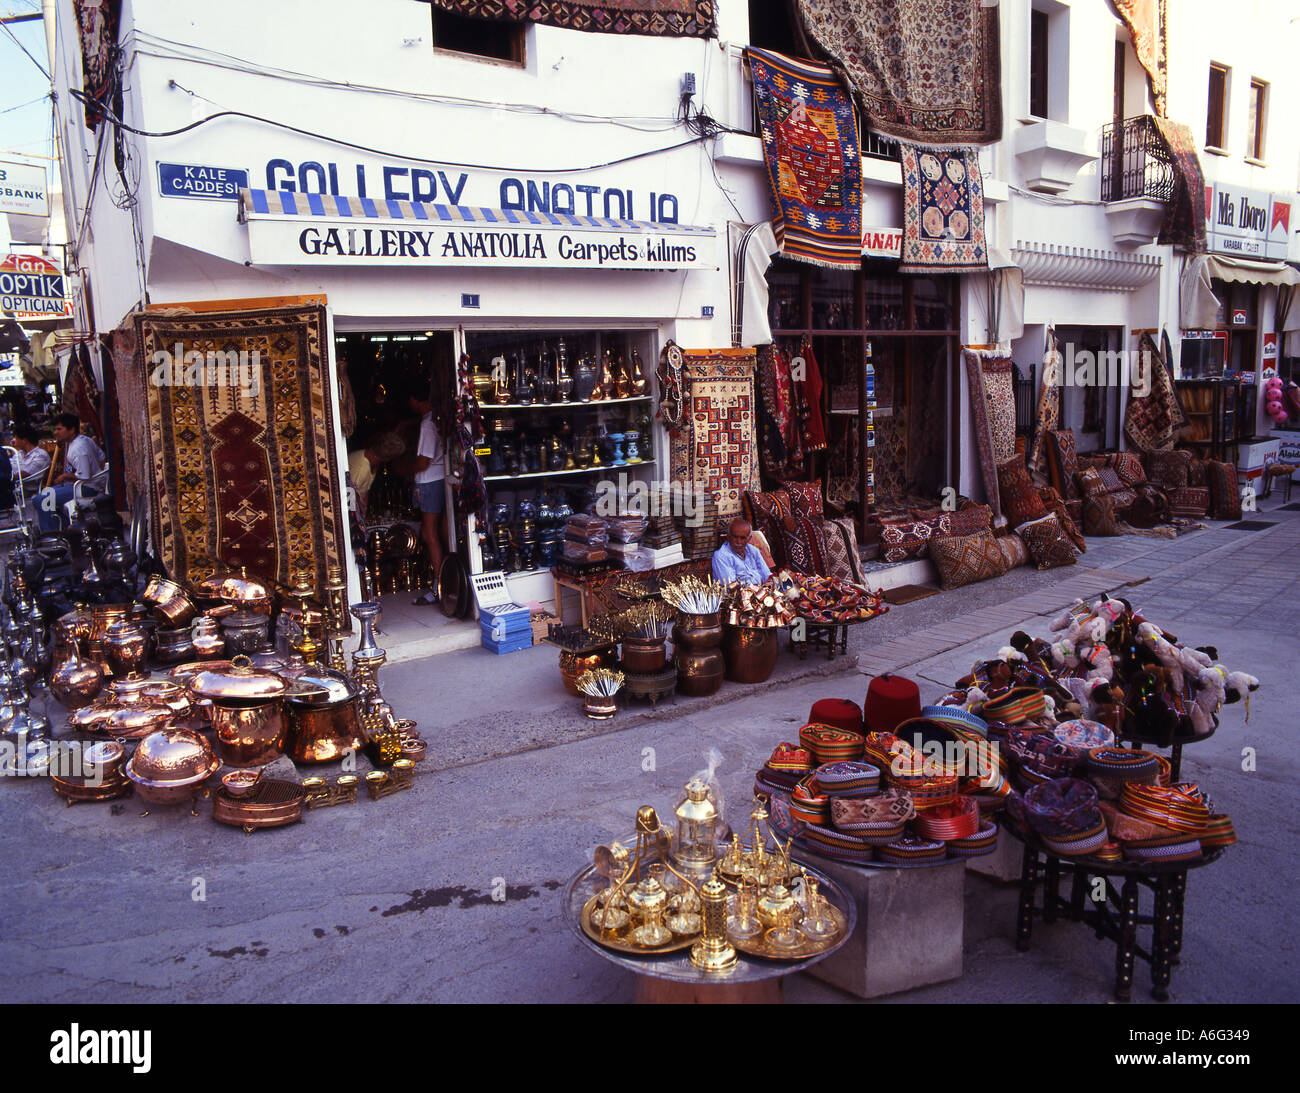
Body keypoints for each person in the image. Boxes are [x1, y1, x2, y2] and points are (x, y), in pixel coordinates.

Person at [409, 386, 448, 605]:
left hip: (429, 481)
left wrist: (405, 467)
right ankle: (445, 580)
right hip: (440, 478)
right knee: (439, 531)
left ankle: (438, 585)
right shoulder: (439, 419)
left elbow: (423, 462)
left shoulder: (427, 424)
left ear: (415, 400)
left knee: (429, 532)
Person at [35, 413, 105, 532]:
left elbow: (85, 476)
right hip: (85, 484)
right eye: (55, 429)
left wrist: (65, 476)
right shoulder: (84, 440)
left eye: (59, 429)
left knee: (42, 500)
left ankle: (52, 535)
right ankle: (63, 528)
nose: (55, 432)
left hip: (87, 488)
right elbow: (101, 457)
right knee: (39, 498)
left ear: (72, 430)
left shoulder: (79, 447)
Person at [712, 517, 772, 585]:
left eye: (743, 538)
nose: (738, 542)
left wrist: (770, 583)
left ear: (749, 538)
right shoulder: (721, 556)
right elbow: (732, 586)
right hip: (738, 594)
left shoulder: (753, 551)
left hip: (760, 591)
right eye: (735, 537)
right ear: (728, 537)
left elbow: (767, 575)